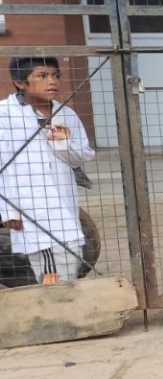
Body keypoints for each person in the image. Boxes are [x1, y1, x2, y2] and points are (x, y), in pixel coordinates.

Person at [0, 57, 96, 285]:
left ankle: (61, 301)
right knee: (50, 266)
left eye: (55, 76)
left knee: (71, 256)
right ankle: (57, 303)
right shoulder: (4, 115)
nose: (52, 81)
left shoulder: (66, 114)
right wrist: (7, 209)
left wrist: (63, 143)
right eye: (42, 76)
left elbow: (81, 157)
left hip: (63, 201)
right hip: (28, 206)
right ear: (20, 82)